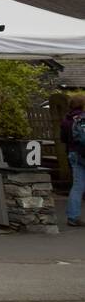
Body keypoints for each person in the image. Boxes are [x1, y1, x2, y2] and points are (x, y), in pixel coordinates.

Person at [59, 93, 85, 227]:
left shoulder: (66, 120)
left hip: (74, 154)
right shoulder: (83, 118)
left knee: (78, 186)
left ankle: (73, 217)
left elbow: (63, 139)